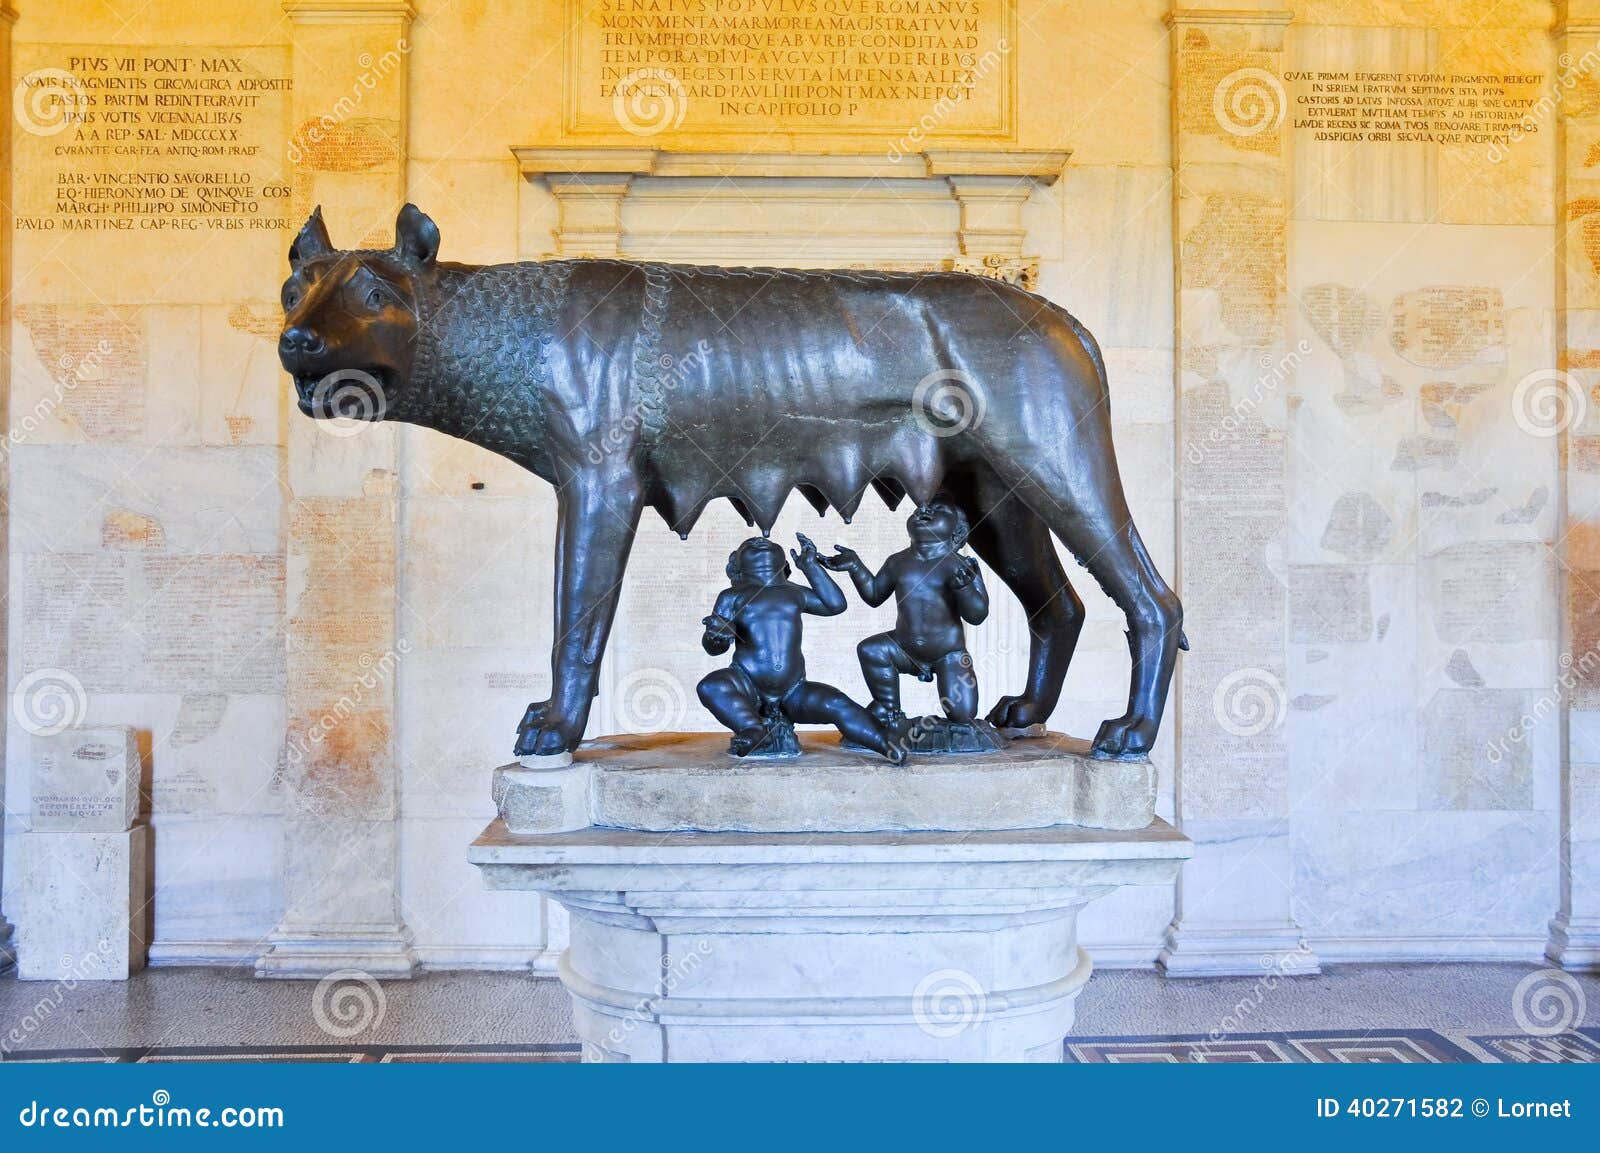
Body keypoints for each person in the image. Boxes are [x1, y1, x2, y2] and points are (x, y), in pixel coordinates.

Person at [698, 534, 904, 761]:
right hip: (746, 682)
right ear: (736, 564)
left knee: (837, 703)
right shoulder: (731, 596)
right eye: (749, 544)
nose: (760, 540)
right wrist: (715, 637)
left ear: (783, 564)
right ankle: (752, 729)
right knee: (711, 686)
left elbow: (834, 605)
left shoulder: (794, 592)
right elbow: (714, 648)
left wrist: (810, 566)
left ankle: (885, 743)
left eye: (765, 542)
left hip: (794, 689)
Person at [820, 498, 990, 731]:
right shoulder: (898, 561)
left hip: (949, 653)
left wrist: (964, 588)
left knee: (963, 716)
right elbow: (874, 595)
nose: (925, 510)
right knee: (871, 650)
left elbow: (977, 616)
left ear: (957, 529)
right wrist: (855, 566)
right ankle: (889, 709)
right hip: (903, 648)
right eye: (919, 509)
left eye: (939, 509)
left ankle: (953, 714)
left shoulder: (961, 565)